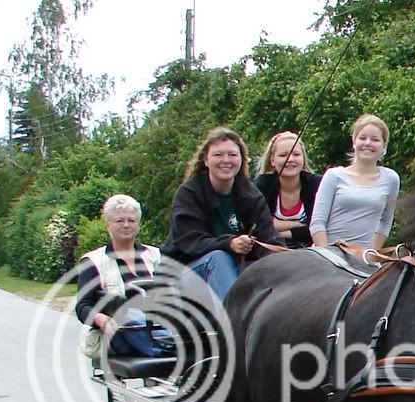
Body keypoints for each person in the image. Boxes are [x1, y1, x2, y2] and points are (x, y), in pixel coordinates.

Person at [161, 127, 283, 302]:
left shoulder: (251, 194)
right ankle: (234, 324)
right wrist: (229, 243)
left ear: (242, 159)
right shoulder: (189, 193)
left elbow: (268, 239)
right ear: (206, 159)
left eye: (233, 155)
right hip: (182, 273)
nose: (226, 160)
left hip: (234, 269)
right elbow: (190, 242)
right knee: (218, 258)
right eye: (218, 155)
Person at [75, 194, 167, 357]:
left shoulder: (154, 255)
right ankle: (163, 351)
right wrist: (101, 320)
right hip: (117, 332)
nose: (126, 225)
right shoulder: (93, 261)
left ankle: (168, 346)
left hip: (155, 326)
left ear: (138, 224)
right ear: (108, 225)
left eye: (131, 220)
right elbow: (83, 307)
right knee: (128, 314)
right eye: (120, 220)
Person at [310, 114, 400, 249]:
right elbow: (317, 222)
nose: (368, 143)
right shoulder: (333, 176)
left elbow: (386, 222)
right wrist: (326, 253)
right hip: (328, 254)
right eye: (362, 138)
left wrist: (371, 254)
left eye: (375, 139)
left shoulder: (391, 178)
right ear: (354, 142)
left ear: (384, 146)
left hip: (363, 259)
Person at [253, 131, 323, 248]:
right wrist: (297, 224)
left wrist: (281, 231)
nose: (290, 159)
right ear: (272, 160)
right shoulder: (264, 184)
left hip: (310, 253)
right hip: (271, 252)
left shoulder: (316, 184)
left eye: (296, 154)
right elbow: (258, 226)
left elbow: (319, 229)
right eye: (283, 155)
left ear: (303, 159)